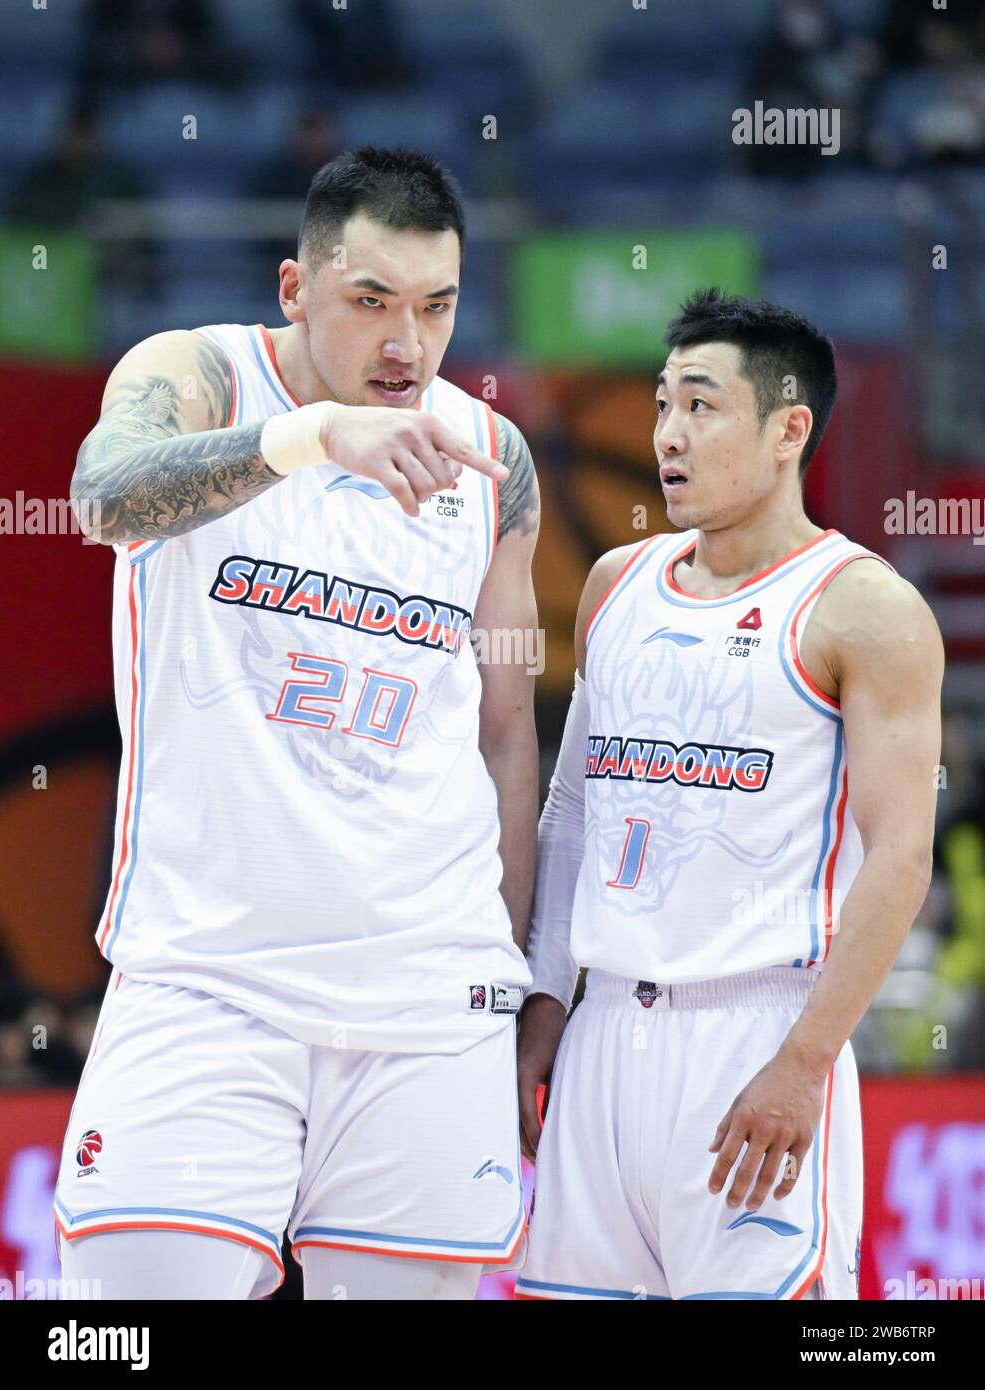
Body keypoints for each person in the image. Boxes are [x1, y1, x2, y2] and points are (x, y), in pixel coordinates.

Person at [57, 147, 541, 1300]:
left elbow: (507, 730)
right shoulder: (205, 375)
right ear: (294, 289)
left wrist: (514, 981)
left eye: (435, 307)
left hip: (431, 1006)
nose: (405, 346)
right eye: (370, 301)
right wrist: (313, 439)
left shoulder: (493, 462)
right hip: (208, 984)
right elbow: (101, 496)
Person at [516, 289, 942, 1301]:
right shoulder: (617, 581)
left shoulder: (864, 606)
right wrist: (542, 1005)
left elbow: (901, 858)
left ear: (789, 427)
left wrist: (806, 1060)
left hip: (757, 1032)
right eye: (663, 404)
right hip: (603, 1033)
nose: (668, 434)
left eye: (702, 407)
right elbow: (573, 812)